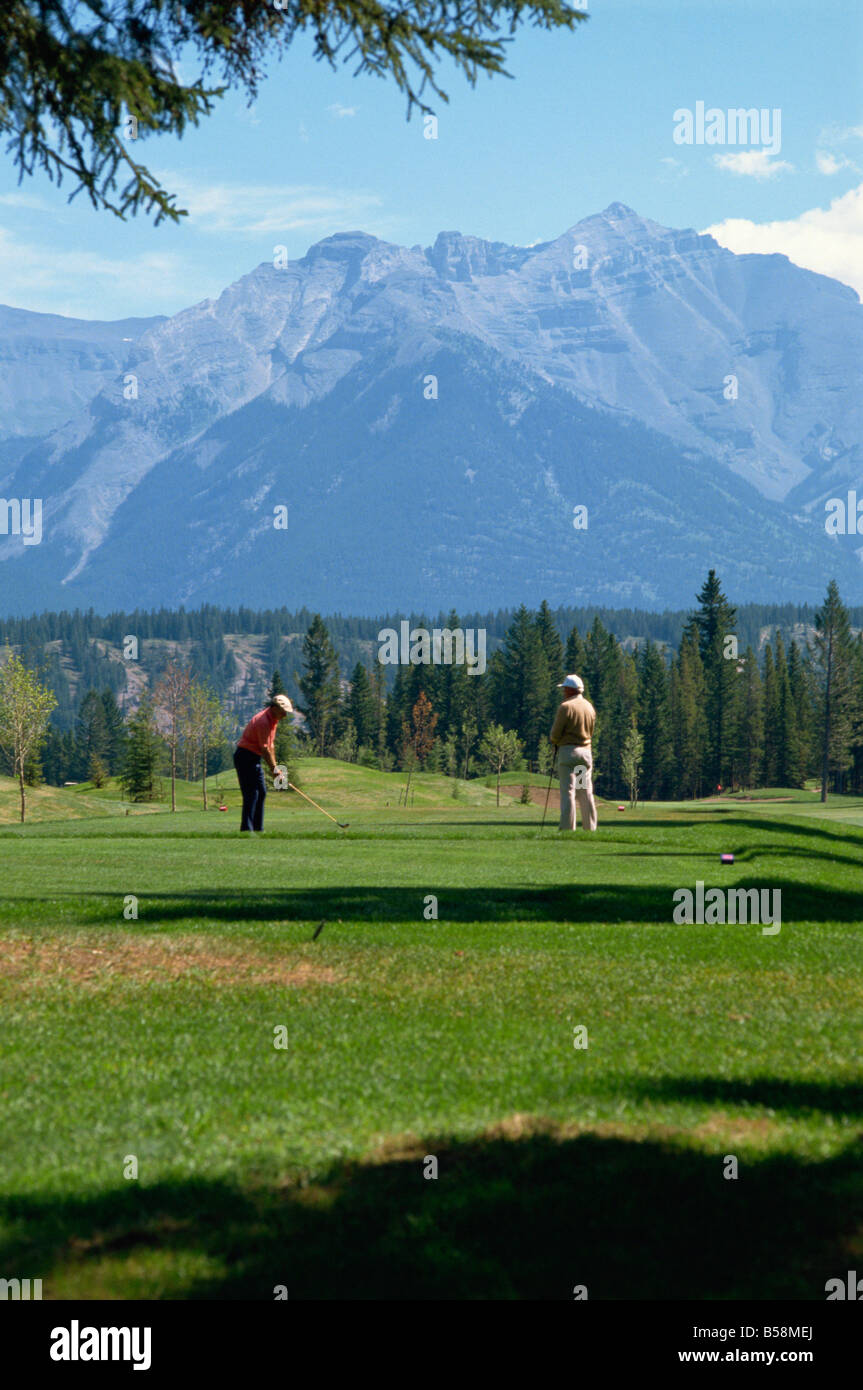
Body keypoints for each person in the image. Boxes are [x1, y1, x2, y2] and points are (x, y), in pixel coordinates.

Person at [233, 694, 293, 831]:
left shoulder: (273, 720)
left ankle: (258, 829)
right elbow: (264, 748)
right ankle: (247, 830)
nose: (284, 715)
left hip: (254, 757)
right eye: (283, 712)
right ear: (274, 708)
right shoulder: (263, 721)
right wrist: (275, 770)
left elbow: (271, 746)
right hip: (245, 757)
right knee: (252, 793)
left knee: (262, 792)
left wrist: (276, 768)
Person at [549, 674, 597, 832]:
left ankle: (567, 828)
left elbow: (555, 733)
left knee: (569, 791)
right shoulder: (589, 707)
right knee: (584, 791)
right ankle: (590, 828)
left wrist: (554, 741)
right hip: (585, 753)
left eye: (564, 689)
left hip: (568, 754)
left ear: (570, 690)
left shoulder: (566, 707)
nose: (563, 692)